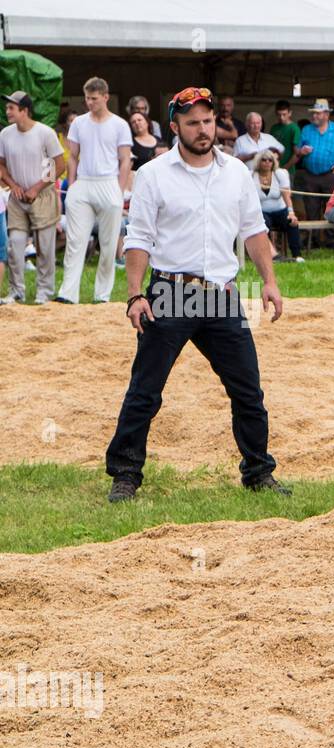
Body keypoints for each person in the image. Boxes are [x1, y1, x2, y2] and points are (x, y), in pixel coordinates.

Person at [106, 86, 288, 503]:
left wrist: (270, 282)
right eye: (193, 123)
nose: (203, 129)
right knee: (145, 391)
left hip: (223, 294)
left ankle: (259, 472)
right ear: (175, 127)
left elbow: (254, 231)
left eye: (208, 121)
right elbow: (139, 238)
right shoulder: (153, 174)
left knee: (247, 390)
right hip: (170, 292)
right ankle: (125, 475)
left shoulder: (236, 172)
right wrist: (135, 295)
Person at [56, 77, 132, 305]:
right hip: (84, 183)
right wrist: (73, 184)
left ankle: (102, 295)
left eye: (94, 99)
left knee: (109, 246)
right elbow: (72, 157)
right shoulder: (79, 123)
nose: (90, 102)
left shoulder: (119, 124)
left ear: (105, 97)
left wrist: (119, 191)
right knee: (75, 242)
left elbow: (125, 160)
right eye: (87, 98)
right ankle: (68, 293)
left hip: (109, 182)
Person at [0, 91, 66, 304]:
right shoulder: (5, 134)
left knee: (45, 247)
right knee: (15, 245)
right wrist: (13, 185)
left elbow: (59, 165)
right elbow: (1, 164)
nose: (7, 111)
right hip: (18, 198)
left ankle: (44, 293)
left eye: (11, 108)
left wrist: (37, 188)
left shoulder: (45, 133)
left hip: (43, 196)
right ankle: (16, 291)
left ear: (24, 110)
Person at [295, 98, 334, 224]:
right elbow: (297, 150)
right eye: (313, 113)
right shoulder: (306, 129)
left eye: (317, 113)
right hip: (310, 175)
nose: (314, 116)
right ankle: (312, 240)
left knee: (332, 207)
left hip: (330, 174)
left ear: (326, 114)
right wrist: (301, 151)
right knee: (310, 208)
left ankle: (332, 240)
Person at [253, 150, 303, 263]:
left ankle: (297, 255)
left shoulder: (280, 173)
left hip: (280, 209)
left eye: (270, 160)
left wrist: (291, 212)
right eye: (264, 160)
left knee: (292, 222)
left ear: (273, 162)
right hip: (261, 211)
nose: (267, 162)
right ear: (258, 162)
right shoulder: (251, 176)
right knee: (263, 223)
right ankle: (271, 255)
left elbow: (286, 195)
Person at [268, 101, 300, 171]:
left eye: (284, 114)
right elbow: (270, 148)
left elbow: (297, 154)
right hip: (273, 167)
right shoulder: (274, 128)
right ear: (276, 113)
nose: (281, 117)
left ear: (290, 113)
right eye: (279, 115)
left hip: (288, 169)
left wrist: (286, 167)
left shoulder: (294, 129)